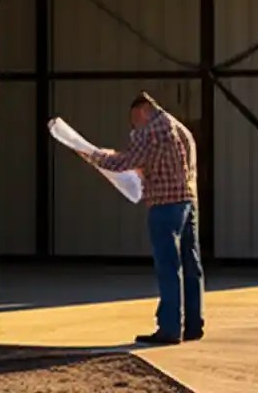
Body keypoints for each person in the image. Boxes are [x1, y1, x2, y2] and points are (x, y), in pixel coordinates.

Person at [74, 91, 204, 346]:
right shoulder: (179, 128)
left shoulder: (151, 131)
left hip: (164, 205)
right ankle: (193, 325)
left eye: (134, 120)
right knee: (191, 265)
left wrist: (91, 154)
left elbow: (125, 162)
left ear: (142, 111)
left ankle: (169, 328)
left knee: (168, 266)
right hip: (188, 202)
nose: (134, 127)